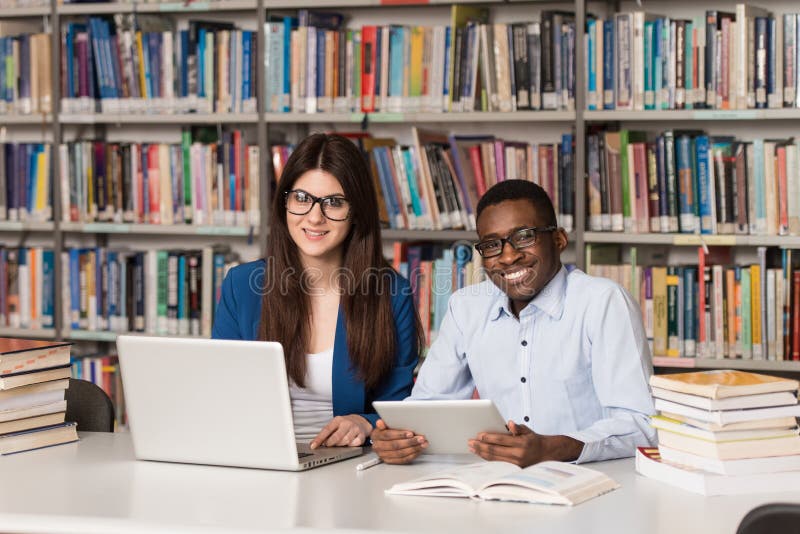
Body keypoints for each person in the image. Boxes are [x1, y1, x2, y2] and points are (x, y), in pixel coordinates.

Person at [371, 179, 656, 466]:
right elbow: (426, 409)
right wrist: (398, 438)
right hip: (497, 483)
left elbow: (641, 424)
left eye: (524, 237)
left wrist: (550, 449)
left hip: (593, 484)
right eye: (492, 245)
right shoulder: (465, 307)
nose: (508, 256)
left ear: (558, 239)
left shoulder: (603, 302)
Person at [212, 133, 420, 450]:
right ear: (284, 202)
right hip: (255, 458)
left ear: (356, 212)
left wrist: (364, 421)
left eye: (334, 203)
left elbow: (399, 407)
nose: (314, 216)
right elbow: (222, 392)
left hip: (348, 466)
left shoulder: (391, 294)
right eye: (301, 198)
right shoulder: (242, 285)